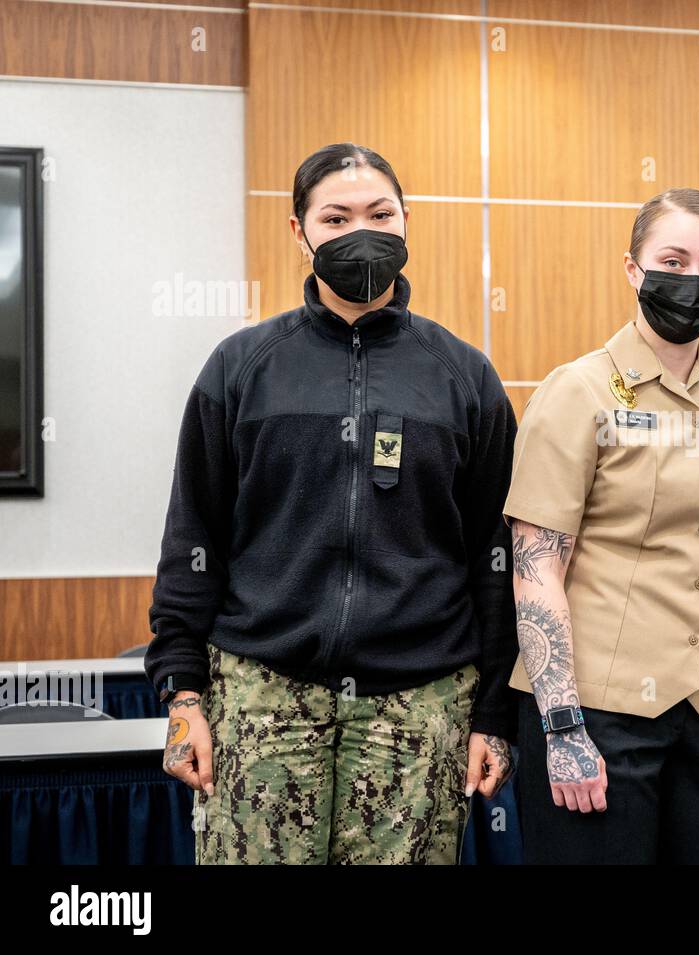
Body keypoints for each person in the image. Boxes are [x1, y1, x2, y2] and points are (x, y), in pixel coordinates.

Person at [145, 142, 517, 864]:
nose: (361, 232)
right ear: (300, 231)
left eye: (380, 213)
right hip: (262, 701)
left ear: (408, 222)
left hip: (419, 710)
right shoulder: (241, 369)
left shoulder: (464, 378)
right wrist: (184, 695)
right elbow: (193, 539)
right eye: (336, 217)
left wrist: (495, 711)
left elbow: (495, 561)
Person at [503, 188, 699, 864]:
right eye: (675, 259)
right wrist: (563, 725)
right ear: (633, 269)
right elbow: (535, 567)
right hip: (599, 716)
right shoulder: (579, 391)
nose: (695, 280)